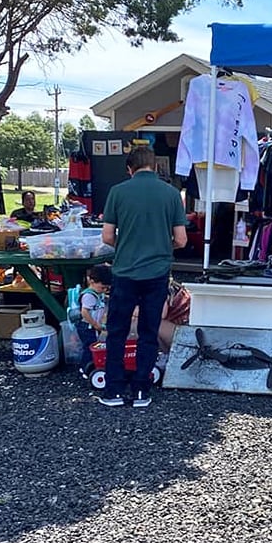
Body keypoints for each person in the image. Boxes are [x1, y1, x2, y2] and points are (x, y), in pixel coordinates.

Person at [100, 146, 187, 408]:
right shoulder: (172, 194)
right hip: (157, 273)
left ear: (130, 169)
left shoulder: (117, 192)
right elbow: (181, 240)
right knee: (149, 332)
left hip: (124, 272)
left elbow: (107, 236)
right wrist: (161, 247)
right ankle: (141, 391)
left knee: (117, 331)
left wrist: (127, 246)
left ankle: (113, 390)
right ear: (155, 166)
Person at [76, 263, 112, 378]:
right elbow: (85, 312)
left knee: (94, 344)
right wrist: (95, 324)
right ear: (91, 281)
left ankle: (93, 364)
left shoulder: (98, 293)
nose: (104, 290)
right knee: (90, 347)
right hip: (87, 326)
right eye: (102, 287)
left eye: (106, 288)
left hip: (93, 325)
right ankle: (86, 368)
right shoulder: (89, 296)